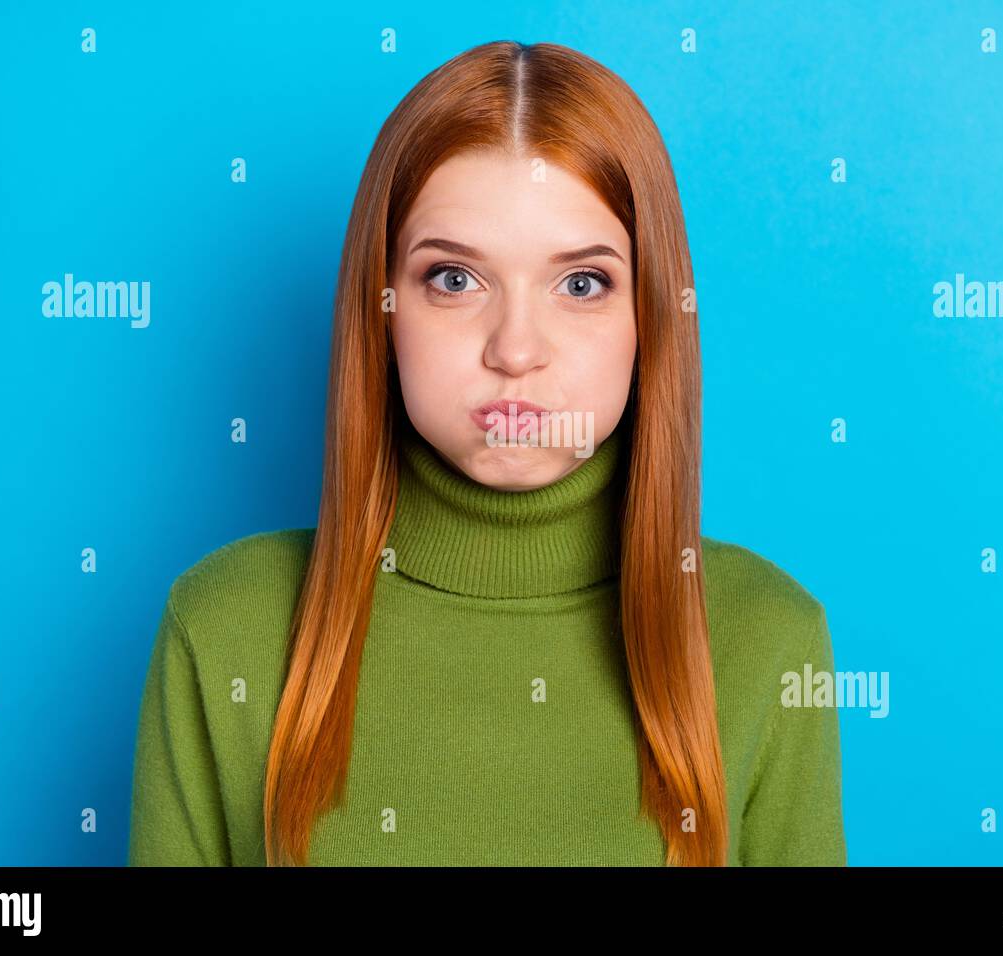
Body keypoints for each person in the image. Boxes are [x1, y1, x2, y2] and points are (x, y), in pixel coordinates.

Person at [127, 39, 846, 867]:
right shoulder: (222, 628)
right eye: (455, 279)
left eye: (581, 285)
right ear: (384, 307)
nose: (514, 349)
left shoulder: (768, 638)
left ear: (649, 315)